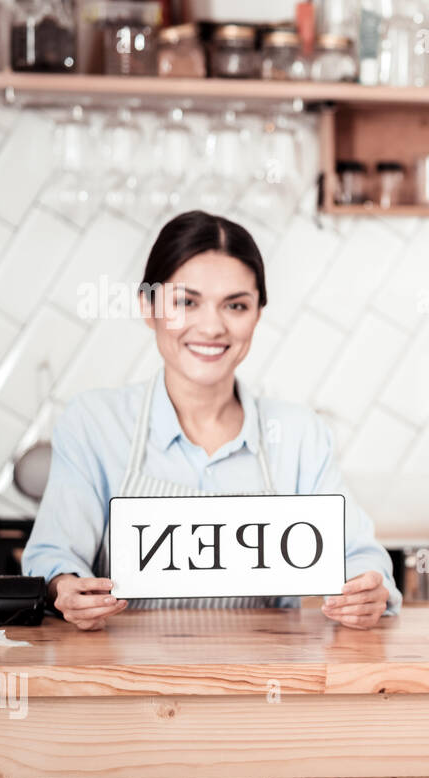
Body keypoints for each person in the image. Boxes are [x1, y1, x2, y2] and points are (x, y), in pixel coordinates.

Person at [23, 210, 400, 630]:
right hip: (124, 685)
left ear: (258, 314)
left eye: (235, 305)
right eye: (186, 302)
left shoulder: (299, 435)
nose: (212, 326)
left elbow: (361, 555)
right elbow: (52, 558)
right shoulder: (94, 423)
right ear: (148, 307)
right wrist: (64, 589)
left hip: (265, 685)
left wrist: (368, 590)